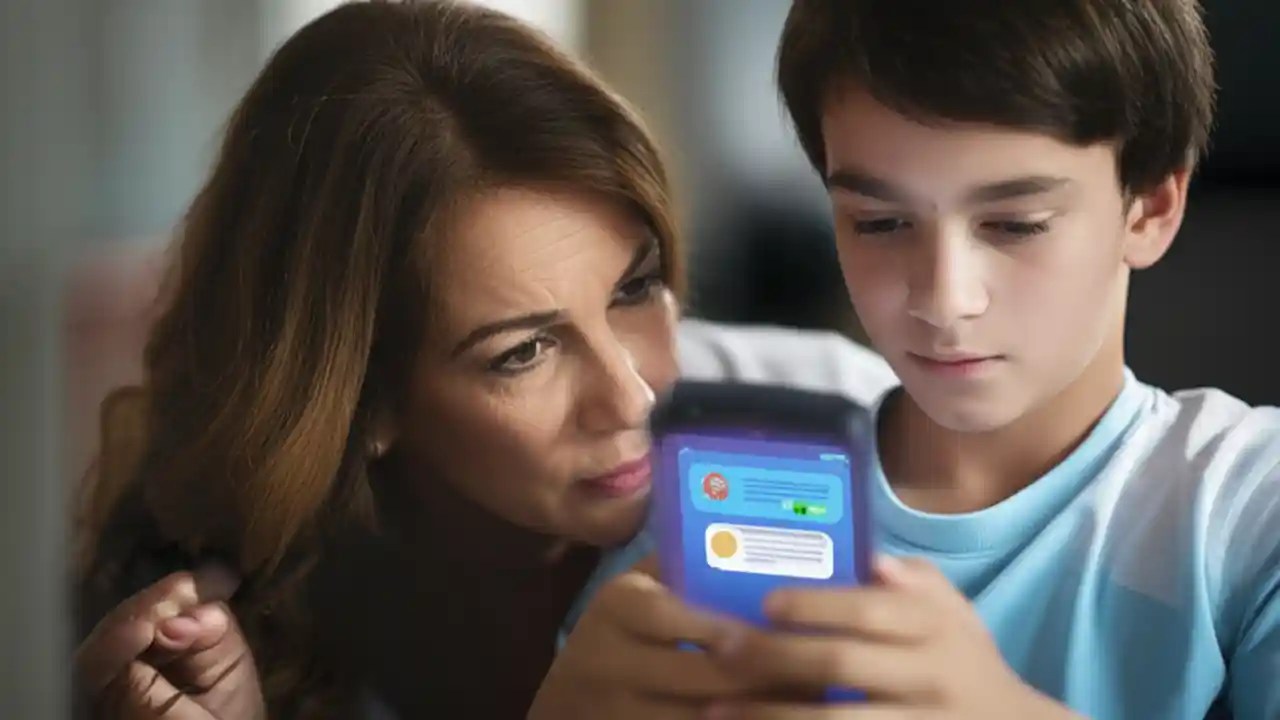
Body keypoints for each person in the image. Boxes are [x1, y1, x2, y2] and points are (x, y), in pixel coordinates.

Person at [71, 2, 896, 719]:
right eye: (524, 352)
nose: (632, 396)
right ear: (363, 397)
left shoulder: (851, 422)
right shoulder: (201, 626)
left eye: (635, 288)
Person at [670, 0, 1277, 718]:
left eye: (1015, 225)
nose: (944, 299)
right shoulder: (714, 504)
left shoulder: (1243, 509)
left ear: (1149, 209)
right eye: (881, 223)